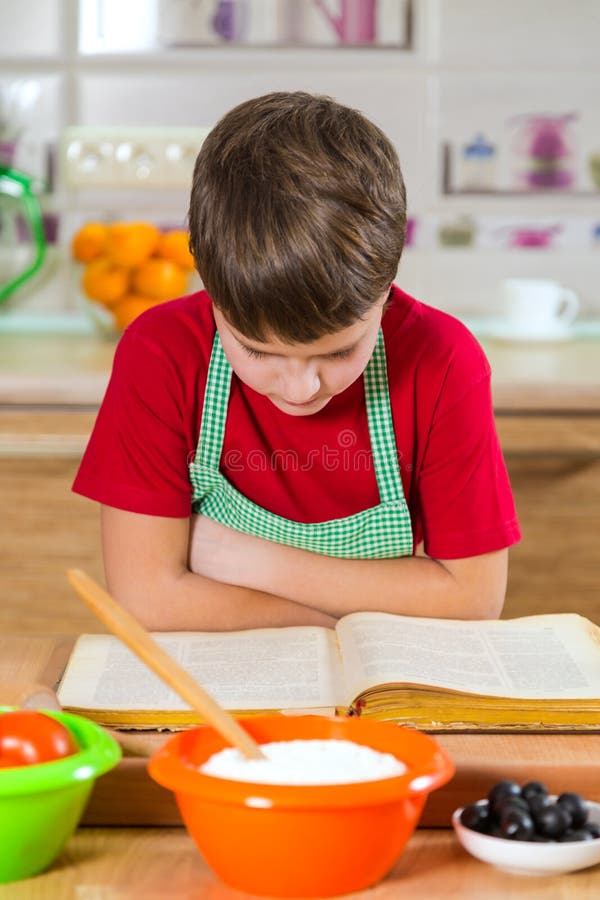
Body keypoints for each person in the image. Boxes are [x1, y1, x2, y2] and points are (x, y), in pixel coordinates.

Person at [73, 91, 521, 632]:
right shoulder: (161, 353)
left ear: (387, 282)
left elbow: (472, 600)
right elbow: (147, 599)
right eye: (258, 350)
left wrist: (247, 561)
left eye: (338, 351)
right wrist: (341, 624)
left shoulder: (442, 360)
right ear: (209, 285)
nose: (301, 387)